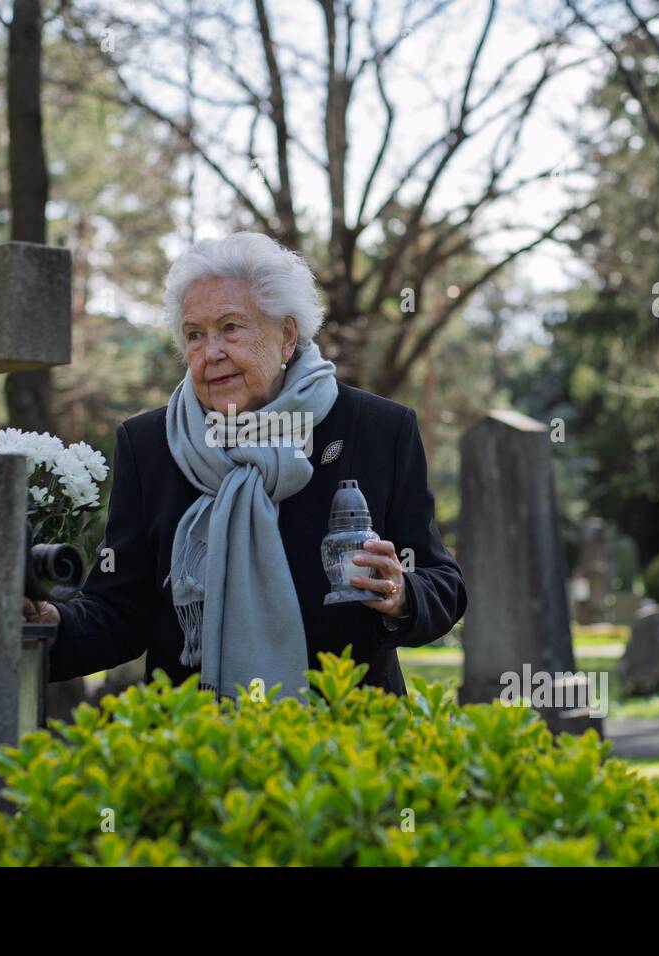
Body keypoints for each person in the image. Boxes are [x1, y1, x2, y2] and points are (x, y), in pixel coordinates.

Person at [27, 231, 466, 701]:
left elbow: (442, 585)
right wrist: (56, 624)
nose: (211, 352)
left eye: (231, 328)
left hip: (351, 739)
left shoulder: (377, 430)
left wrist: (401, 596)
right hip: (201, 748)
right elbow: (120, 609)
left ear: (287, 336)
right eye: (195, 335)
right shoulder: (150, 445)